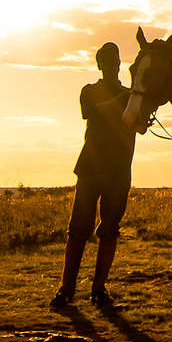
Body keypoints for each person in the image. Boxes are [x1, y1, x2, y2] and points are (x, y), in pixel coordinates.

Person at [51, 41, 138, 309]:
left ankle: (98, 289)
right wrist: (125, 99)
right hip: (91, 168)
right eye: (108, 62)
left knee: (109, 231)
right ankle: (67, 290)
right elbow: (91, 112)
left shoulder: (130, 95)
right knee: (77, 230)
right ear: (100, 65)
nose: (112, 66)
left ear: (119, 64)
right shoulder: (89, 92)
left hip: (119, 170)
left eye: (115, 61)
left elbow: (141, 126)